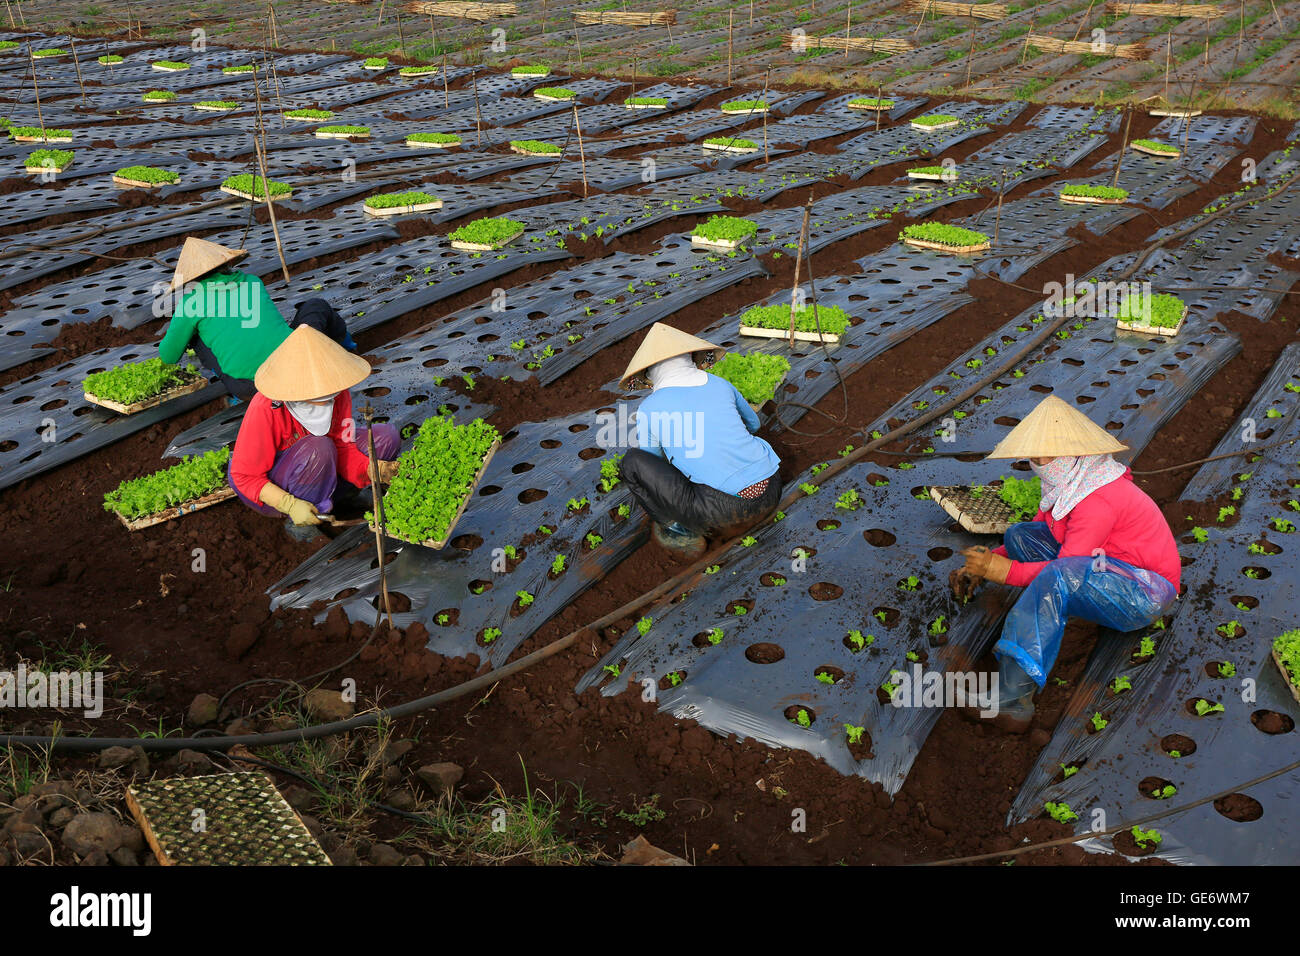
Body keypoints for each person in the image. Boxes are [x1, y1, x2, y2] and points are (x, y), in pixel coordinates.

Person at [950, 396, 1180, 732]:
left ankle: (1012, 701)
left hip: (1143, 591)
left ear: (1075, 452)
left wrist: (1006, 573)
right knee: (1021, 536)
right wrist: (986, 563)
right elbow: (1044, 535)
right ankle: (1051, 614)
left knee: (1057, 577)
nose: (1042, 463)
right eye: (1036, 456)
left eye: (1050, 455)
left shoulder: (1097, 498)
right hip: (1107, 566)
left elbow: (1067, 567)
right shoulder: (1068, 484)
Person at [617, 323, 782, 558]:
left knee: (632, 462)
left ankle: (677, 528)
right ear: (691, 357)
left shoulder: (650, 408)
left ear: (651, 373)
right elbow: (754, 425)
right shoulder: (720, 384)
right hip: (772, 490)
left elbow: (653, 463)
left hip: (722, 514)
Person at [228, 325, 401, 539]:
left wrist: (372, 469)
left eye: (330, 397)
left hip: (319, 463)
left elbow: (343, 446)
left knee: (384, 439)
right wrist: (288, 504)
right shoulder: (266, 407)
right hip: (277, 484)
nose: (327, 403)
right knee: (320, 447)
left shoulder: (337, 393)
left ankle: (342, 498)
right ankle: (302, 524)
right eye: (318, 400)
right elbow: (244, 476)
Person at [158, 237, 357, 403]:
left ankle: (236, 396)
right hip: (295, 364)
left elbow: (168, 356)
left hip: (251, 386)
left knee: (196, 337)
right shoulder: (253, 282)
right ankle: (345, 348)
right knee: (316, 305)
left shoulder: (190, 304)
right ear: (226, 264)